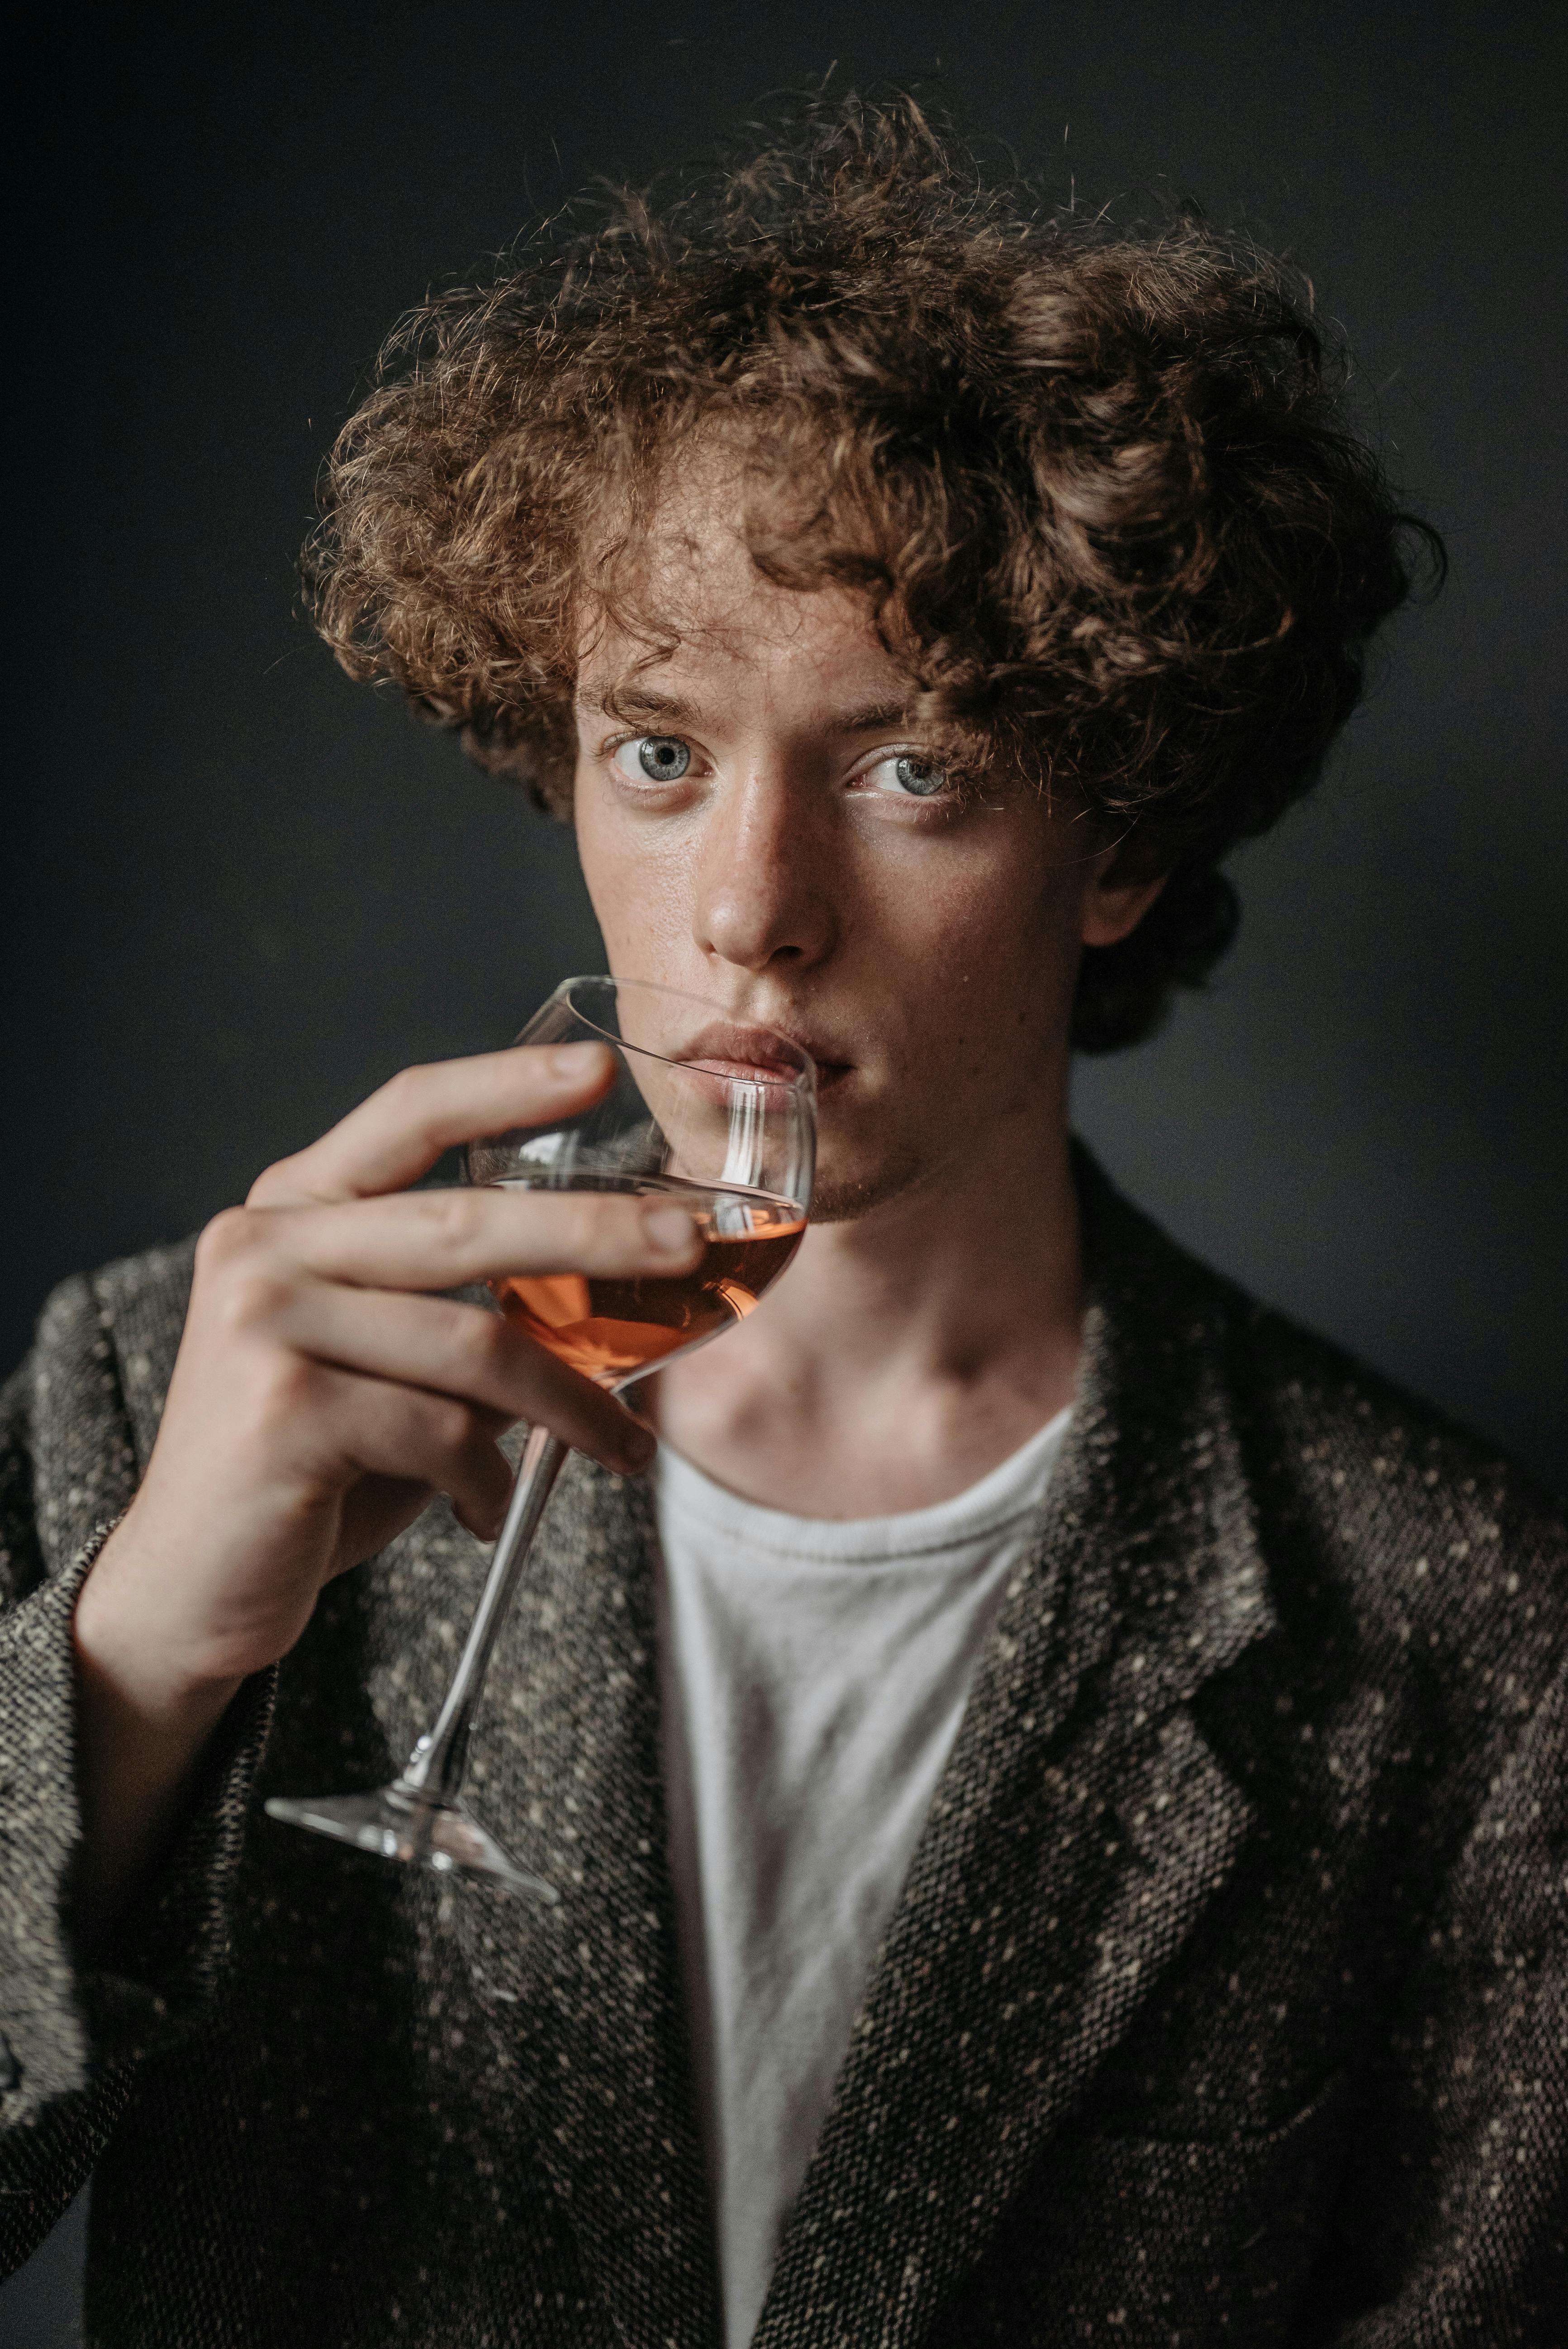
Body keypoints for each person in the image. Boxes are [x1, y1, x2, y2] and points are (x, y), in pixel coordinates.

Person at [1, 92, 1563, 2349]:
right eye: (658, 751)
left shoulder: (1462, 1632)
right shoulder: (163, 1397)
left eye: (912, 766)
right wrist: (130, 1663)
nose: (749, 911)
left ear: (1116, 843)